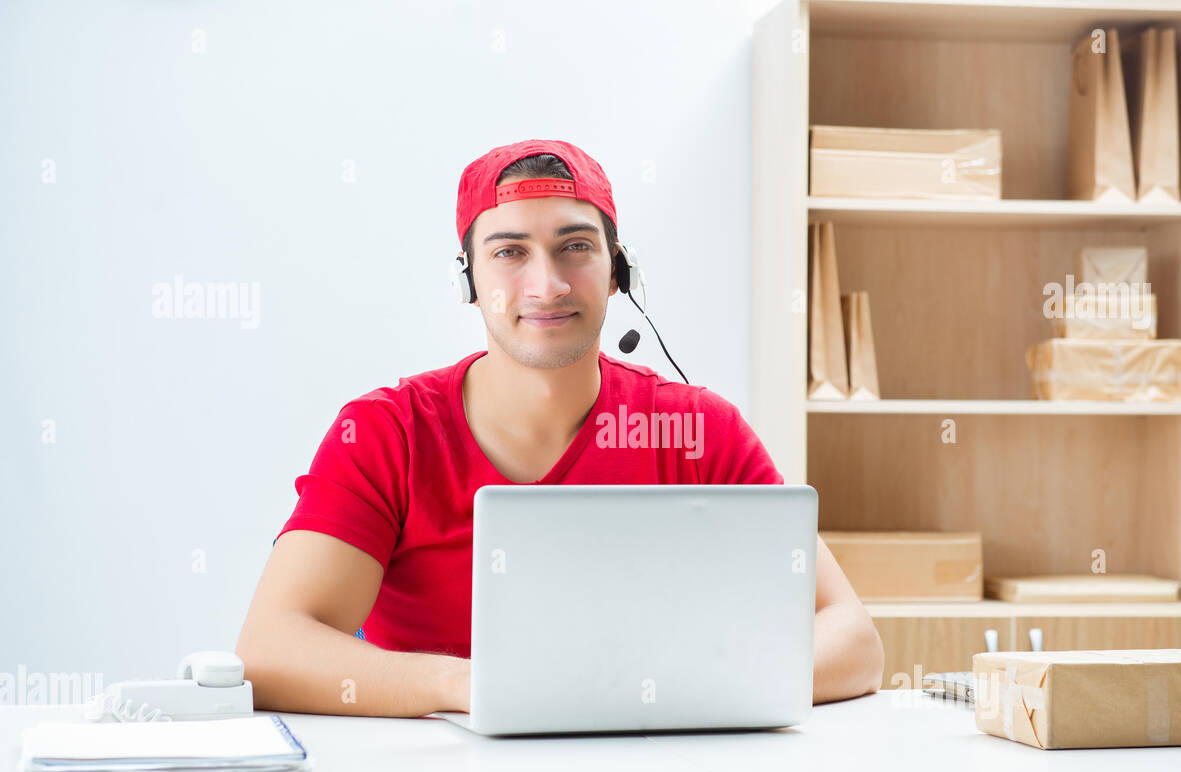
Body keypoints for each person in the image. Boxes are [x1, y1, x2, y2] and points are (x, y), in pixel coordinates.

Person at [235, 139, 883, 717]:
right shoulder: (387, 432)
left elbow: (852, 638)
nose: (546, 284)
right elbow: (270, 648)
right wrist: (471, 686)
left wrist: (671, 687)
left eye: (575, 247)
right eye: (510, 252)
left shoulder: (696, 429)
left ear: (617, 270)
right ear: (470, 279)